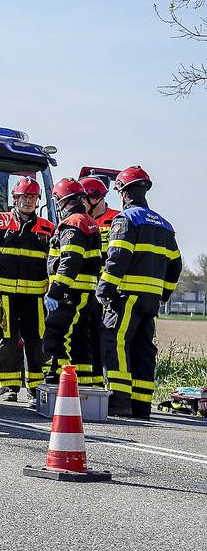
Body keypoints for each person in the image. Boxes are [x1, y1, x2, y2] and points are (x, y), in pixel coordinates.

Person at [97, 166, 181, 419]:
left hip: (126, 295)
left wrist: (105, 288)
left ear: (123, 193)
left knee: (116, 342)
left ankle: (119, 400)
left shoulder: (126, 219)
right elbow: (176, 265)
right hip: (150, 300)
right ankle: (142, 404)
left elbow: (117, 256)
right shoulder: (165, 225)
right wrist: (163, 293)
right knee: (143, 348)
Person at [0, 177, 55, 402]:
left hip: (35, 297)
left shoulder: (47, 228)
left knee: (36, 340)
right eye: (24, 197)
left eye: (33, 197)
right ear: (15, 198)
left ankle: (35, 387)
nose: (28, 201)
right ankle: (9, 387)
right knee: (6, 340)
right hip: (4, 295)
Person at [41, 179, 103, 387]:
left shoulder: (73, 224)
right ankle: (82, 385)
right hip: (84, 293)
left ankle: (59, 380)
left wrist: (55, 292)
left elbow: (70, 261)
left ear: (62, 201)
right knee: (79, 341)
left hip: (71, 293)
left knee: (56, 336)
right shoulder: (88, 221)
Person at [80, 176, 121, 249]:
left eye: (82, 199)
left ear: (96, 198)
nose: (79, 204)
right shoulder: (78, 221)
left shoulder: (119, 218)